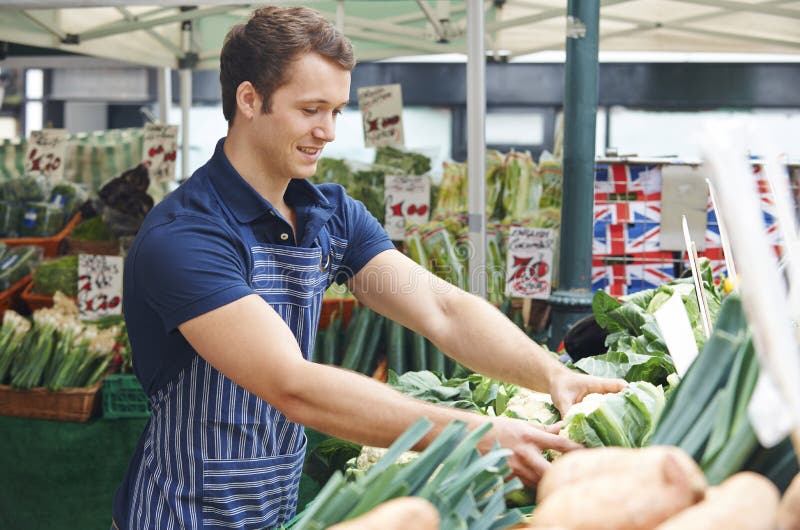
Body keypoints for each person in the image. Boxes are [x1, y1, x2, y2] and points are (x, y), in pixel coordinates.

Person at [112, 5, 625, 529]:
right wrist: (471, 432)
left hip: (277, 513)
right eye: (311, 109)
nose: (329, 131)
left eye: (337, 110)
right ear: (249, 99)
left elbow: (442, 309)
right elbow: (291, 384)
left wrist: (551, 374)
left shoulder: (329, 216)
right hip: (178, 516)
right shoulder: (186, 235)